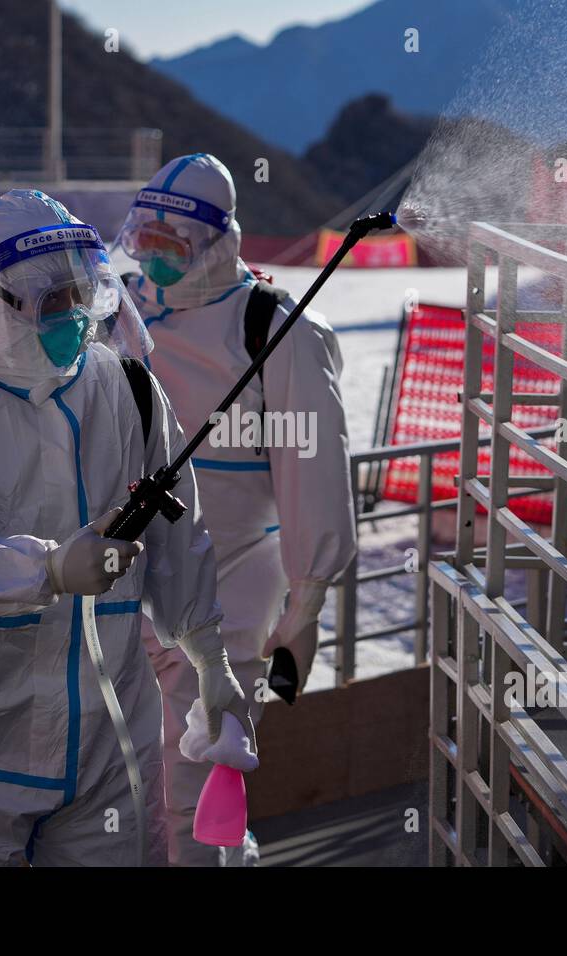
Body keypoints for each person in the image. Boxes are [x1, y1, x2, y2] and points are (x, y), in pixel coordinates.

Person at [0, 189, 252, 866]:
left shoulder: (129, 393)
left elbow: (180, 538)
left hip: (106, 742)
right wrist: (48, 569)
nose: (73, 317)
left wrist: (212, 658)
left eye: (82, 297)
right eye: (51, 301)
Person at [119, 154, 357, 865]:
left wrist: (307, 600)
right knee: (126, 778)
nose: (154, 259)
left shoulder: (272, 328)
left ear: (216, 241)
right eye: (145, 241)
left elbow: (314, 471)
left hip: (231, 593)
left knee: (198, 785)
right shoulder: (125, 310)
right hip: (128, 581)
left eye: (173, 245)